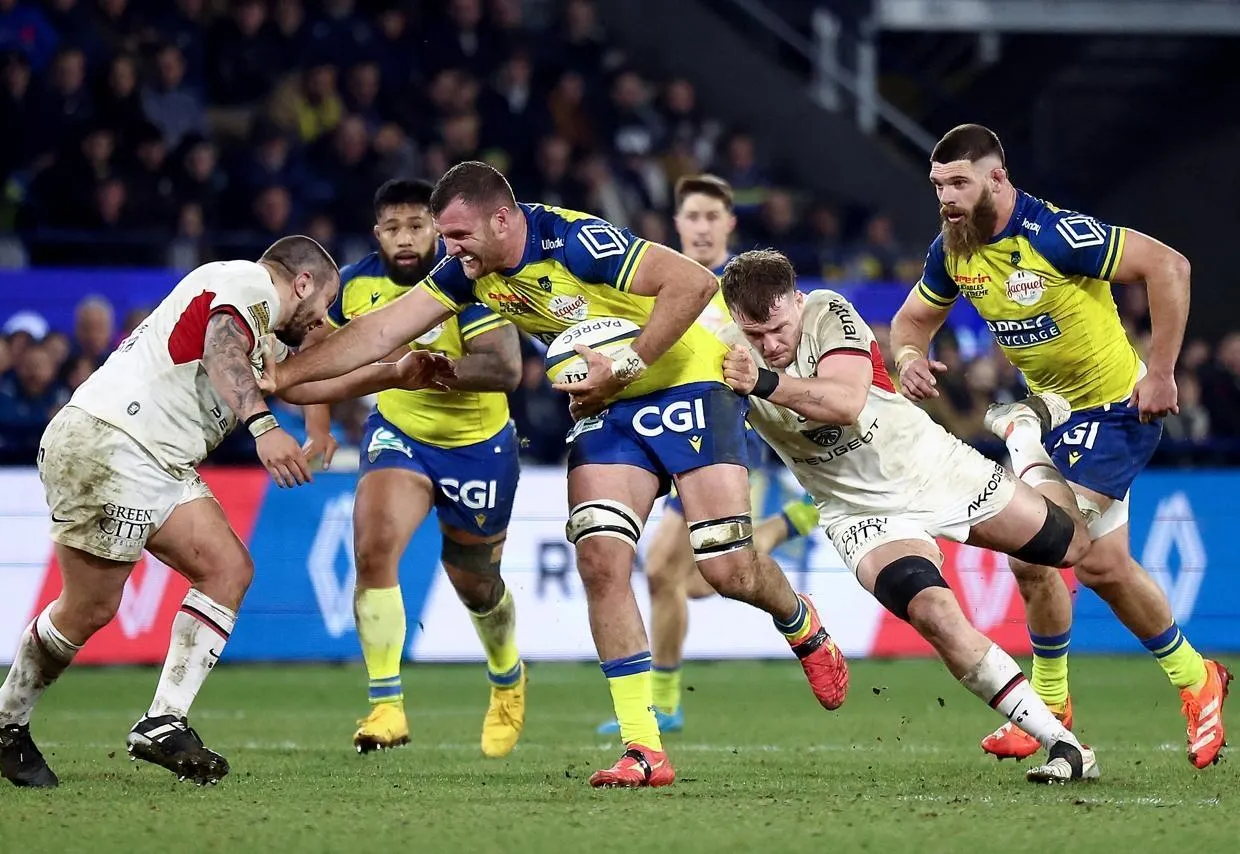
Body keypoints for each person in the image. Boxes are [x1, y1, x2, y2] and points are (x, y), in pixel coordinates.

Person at [261, 161, 849, 788]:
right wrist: (283, 379)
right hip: (606, 407)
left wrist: (624, 364)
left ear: (502, 219)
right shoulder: (464, 274)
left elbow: (694, 283)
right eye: (445, 237)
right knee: (600, 559)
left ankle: (801, 624)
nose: (449, 250)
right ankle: (644, 748)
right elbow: (380, 332)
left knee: (726, 568)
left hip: (690, 381)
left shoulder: (570, 242)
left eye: (459, 236)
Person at [0, 236, 450, 788]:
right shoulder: (247, 283)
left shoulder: (262, 320)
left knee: (228, 570)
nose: (320, 321)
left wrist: (393, 373)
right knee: (89, 609)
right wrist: (264, 429)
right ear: (302, 283)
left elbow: (298, 380)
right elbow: (222, 348)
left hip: (158, 459)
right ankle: (2, 719)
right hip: (115, 442)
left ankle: (163, 721)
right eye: (321, 307)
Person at [890, 123, 1230, 768]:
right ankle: (1196, 681)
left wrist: (1161, 371)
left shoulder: (1055, 235)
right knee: (1101, 567)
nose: (947, 197)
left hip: (1115, 411)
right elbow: (911, 322)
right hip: (1056, 417)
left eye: (959, 181)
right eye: (938, 185)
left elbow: (1169, 266)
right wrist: (909, 355)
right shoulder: (953, 249)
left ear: (998, 175)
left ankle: (1050, 711)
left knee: (1041, 549)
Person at [718, 249, 1099, 784]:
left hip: (930, 466)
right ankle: (1063, 744)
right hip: (857, 512)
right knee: (934, 614)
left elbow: (846, 401)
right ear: (737, 322)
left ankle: (1022, 436)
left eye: (778, 328)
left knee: (1075, 547)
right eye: (755, 336)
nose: (770, 345)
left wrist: (761, 381)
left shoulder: (828, 312)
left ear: (797, 302)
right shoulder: (722, 349)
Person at [296, 179, 527, 758]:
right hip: (402, 435)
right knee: (373, 548)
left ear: (436, 226)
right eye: (393, 228)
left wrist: (427, 367)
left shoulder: (469, 279)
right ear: (377, 233)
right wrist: (318, 427)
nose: (406, 238)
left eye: (417, 226)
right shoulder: (352, 286)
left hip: (480, 445)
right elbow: (316, 356)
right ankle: (386, 705)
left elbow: (505, 369)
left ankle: (506, 677)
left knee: (474, 582)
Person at [596, 174, 822, 736]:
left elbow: (782, 356)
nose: (700, 227)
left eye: (710, 218)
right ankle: (665, 703)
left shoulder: (744, 291)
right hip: (665, 431)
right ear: (677, 225)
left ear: (729, 224)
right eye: (691, 217)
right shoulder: (659, 282)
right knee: (663, 575)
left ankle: (784, 527)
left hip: (727, 443)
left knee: (702, 577)